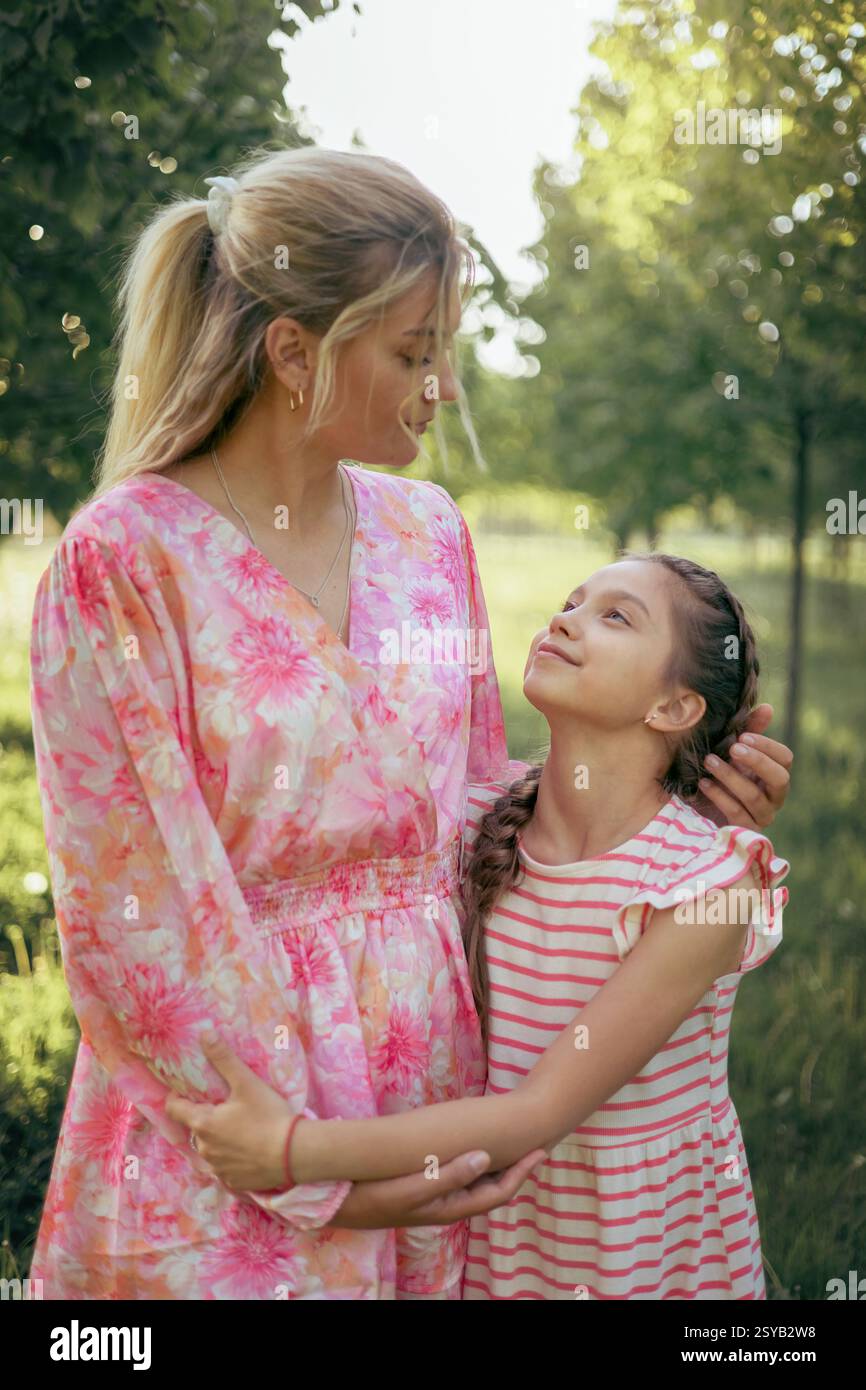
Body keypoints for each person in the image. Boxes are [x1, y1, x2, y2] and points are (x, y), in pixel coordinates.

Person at [29, 145, 792, 1300]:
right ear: (295, 353)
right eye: (412, 353)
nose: (442, 388)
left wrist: (667, 792)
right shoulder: (126, 558)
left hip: (429, 1099)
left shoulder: (426, 532)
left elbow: (450, 804)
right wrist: (310, 1176)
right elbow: (129, 911)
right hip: (234, 1108)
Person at [169, 553, 791, 1301]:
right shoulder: (467, 824)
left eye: (616, 616)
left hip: (640, 1243)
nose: (565, 618)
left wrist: (292, 1151)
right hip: (504, 1222)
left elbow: (537, 1113)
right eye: (572, 599)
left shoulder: (702, 884)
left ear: (674, 708)